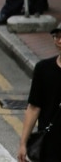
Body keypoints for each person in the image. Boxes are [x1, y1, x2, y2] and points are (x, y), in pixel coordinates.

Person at [21, 26, 61, 162]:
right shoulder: (43, 69)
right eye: (57, 37)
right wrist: (23, 143)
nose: (59, 41)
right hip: (49, 145)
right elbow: (33, 108)